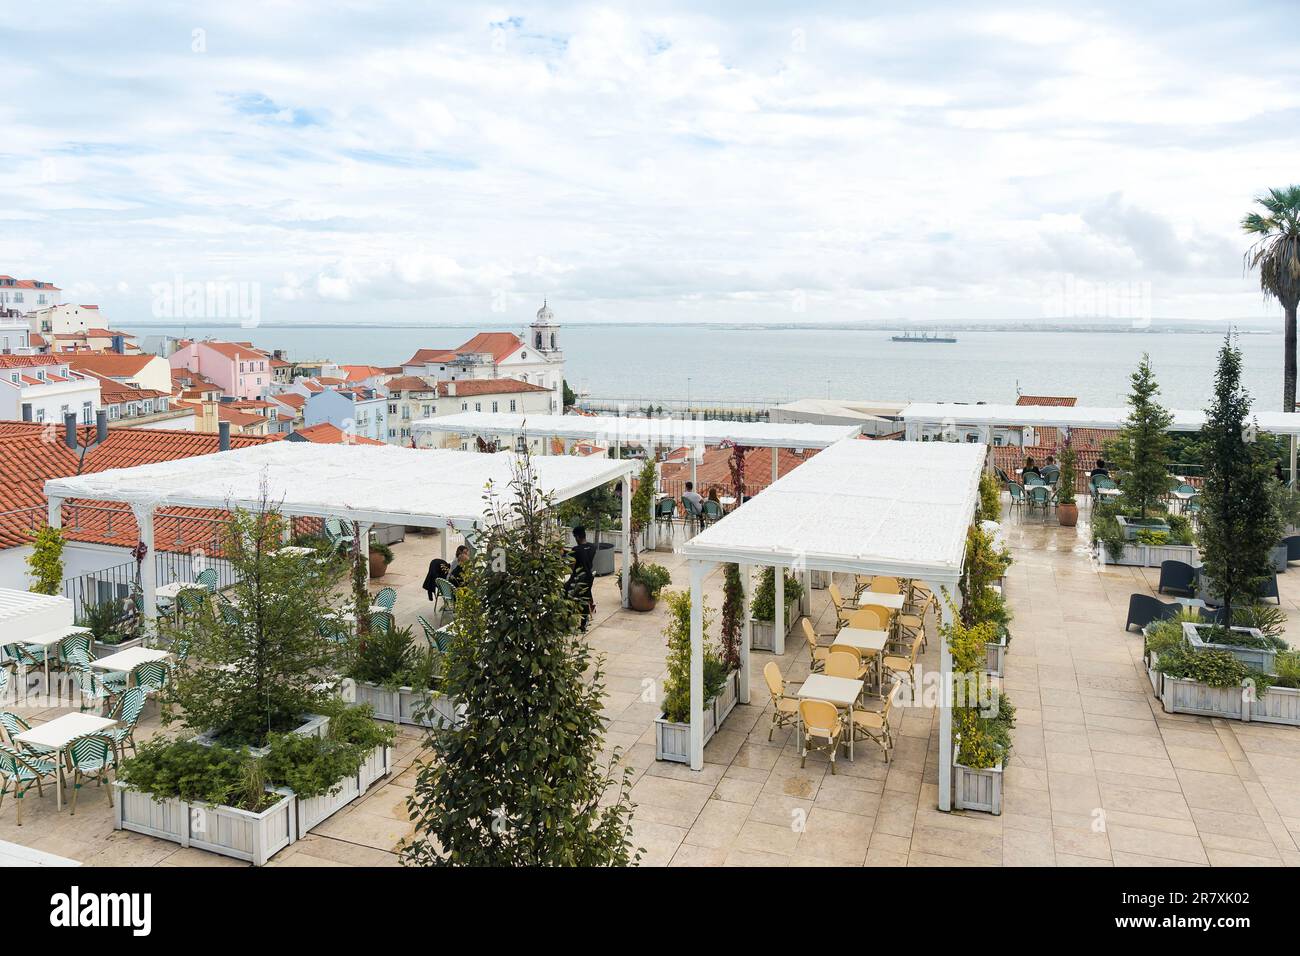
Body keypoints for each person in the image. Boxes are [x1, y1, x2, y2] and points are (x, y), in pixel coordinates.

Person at [566, 526, 597, 630]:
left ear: (577, 537)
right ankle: (583, 623)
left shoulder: (575, 550)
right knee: (584, 596)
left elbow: (571, 566)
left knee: (565, 593)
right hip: (589, 578)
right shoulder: (593, 547)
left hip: (577, 579)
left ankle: (566, 622)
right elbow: (584, 552)